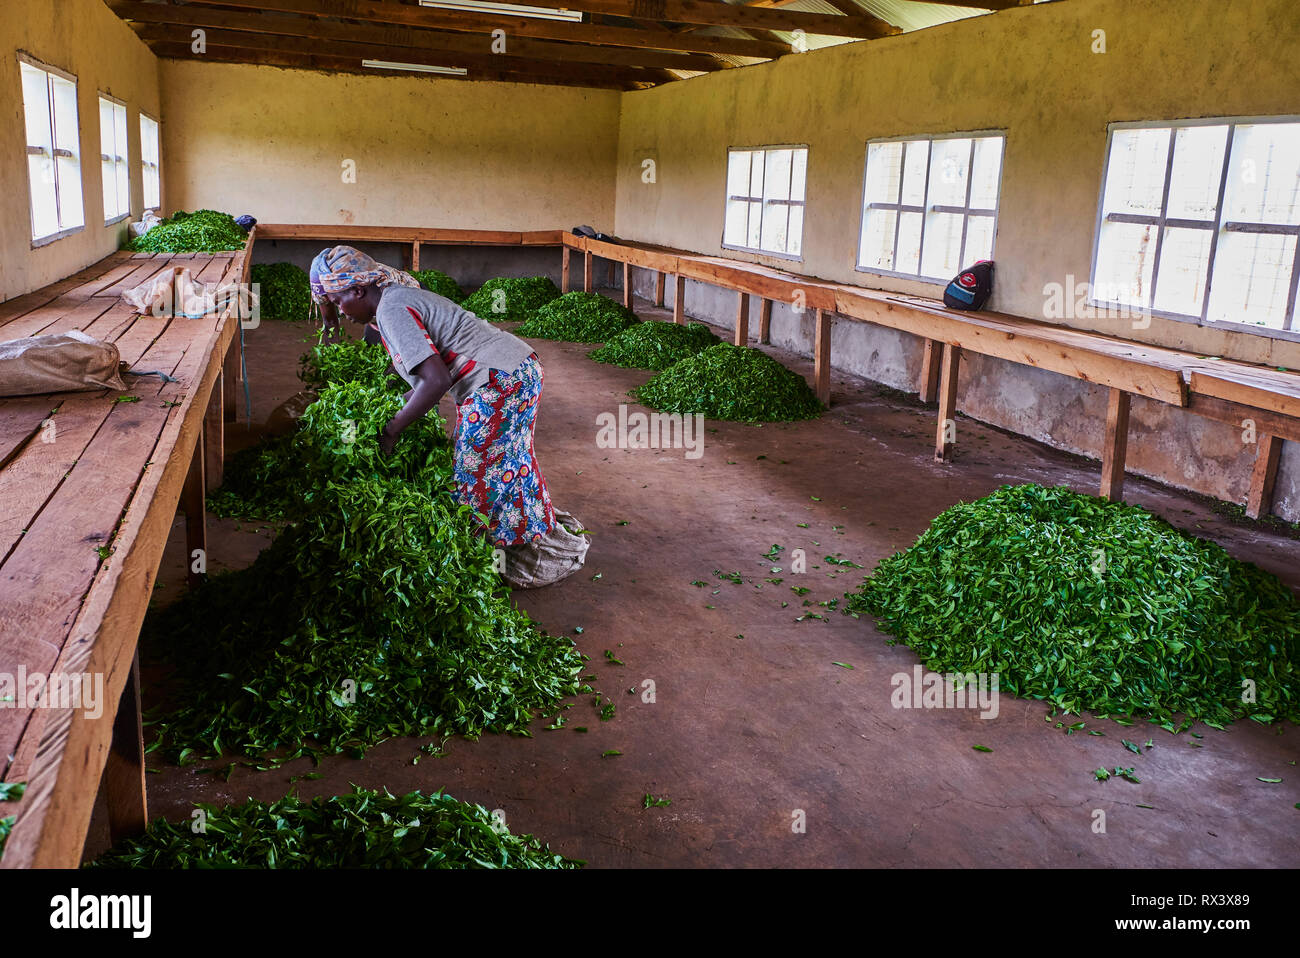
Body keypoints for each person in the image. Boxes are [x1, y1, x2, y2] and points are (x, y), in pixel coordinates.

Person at [310, 246, 556, 550]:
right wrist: (397, 405)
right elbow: (430, 375)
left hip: (498, 381)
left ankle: (476, 554)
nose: (342, 313)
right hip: (519, 369)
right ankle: (529, 535)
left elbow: (437, 381)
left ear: (358, 290)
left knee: (470, 471)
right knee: (512, 456)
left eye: (338, 302)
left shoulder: (391, 310)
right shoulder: (394, 300)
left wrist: (392, 429)